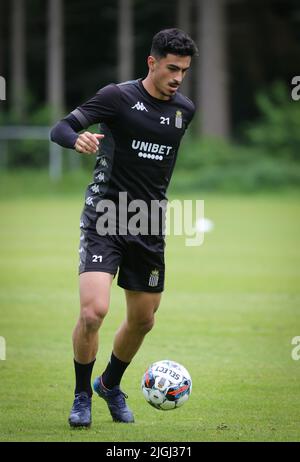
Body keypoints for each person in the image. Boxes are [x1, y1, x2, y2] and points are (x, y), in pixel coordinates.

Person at [50, 28, 198, 427]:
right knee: (94, 311)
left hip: (148, 223)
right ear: (151, 62)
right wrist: (76, 140)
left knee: (144, 320)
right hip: (106, 215)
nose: (178, 78)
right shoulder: (118, 96)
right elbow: (61, 127)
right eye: (171, 68)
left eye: (184, 70)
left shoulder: (185, 109)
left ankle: (110, 385)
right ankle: (82, 396)